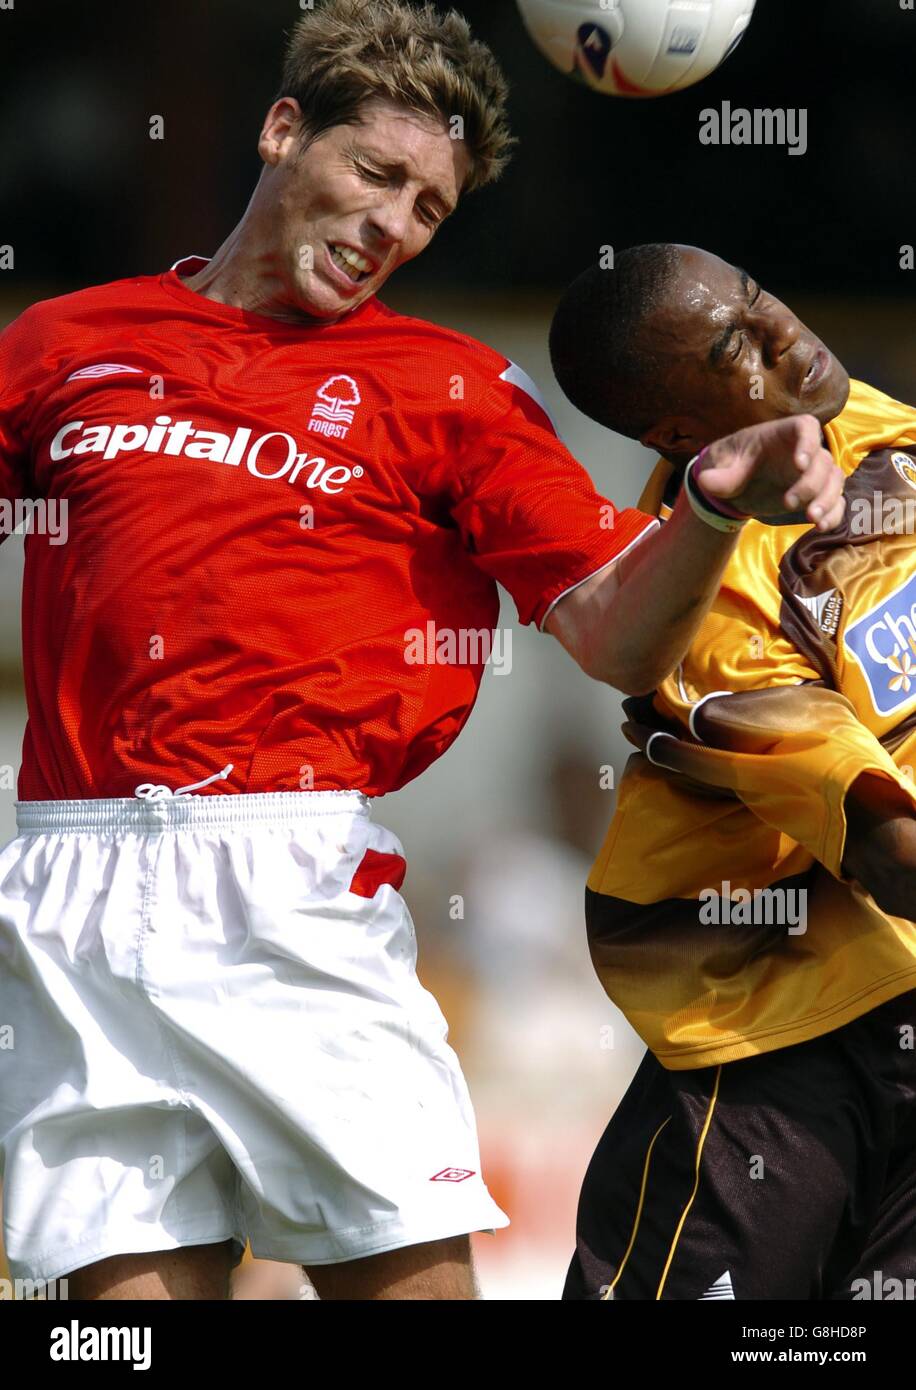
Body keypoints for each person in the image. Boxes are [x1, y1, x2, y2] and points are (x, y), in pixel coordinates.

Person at [0, 4, 842, 1304]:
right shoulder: (63, 343)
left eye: (430, 209)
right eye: (378, 174)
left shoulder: (451, 387)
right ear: (286, 130)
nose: (395, 223)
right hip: (69, 884)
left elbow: (617, 630)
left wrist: (712, 506)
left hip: (289, 884)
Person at [549, 242, 916, 1301]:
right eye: (735, 346)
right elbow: (890, 854)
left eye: (764, 298)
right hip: (774, 1039)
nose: (784, 336)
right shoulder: (709, 604)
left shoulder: (881, 433)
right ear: (677, 431)